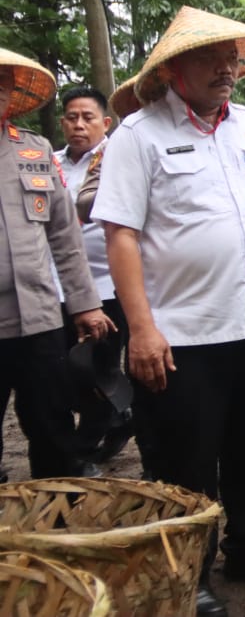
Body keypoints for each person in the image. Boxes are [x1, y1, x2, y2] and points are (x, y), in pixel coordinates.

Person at [92, 7, 245, 617]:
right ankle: (192, 571)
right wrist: (142, 329)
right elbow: (121, 236)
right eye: (212, 59)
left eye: (233, 59)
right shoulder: (139, 136)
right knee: (184, 461)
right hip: (182, 335)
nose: (227, 70)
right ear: (172, 69)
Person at [0, 49, 113, 481]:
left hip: (41, 319)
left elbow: (64, 237)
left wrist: (84, 305)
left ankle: (56, 517)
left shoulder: (34, 151)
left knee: (52, 424)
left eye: (3, 83)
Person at [55, 85, 133, 464]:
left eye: (88, 118)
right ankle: (119, 414)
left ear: (105, 123)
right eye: (72, 117)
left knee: (95, 367)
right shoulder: (48, 163)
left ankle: (86, 445)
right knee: (62, 371)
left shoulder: (118, 160)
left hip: (108, 285)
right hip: (58, 289)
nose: (79, 125)